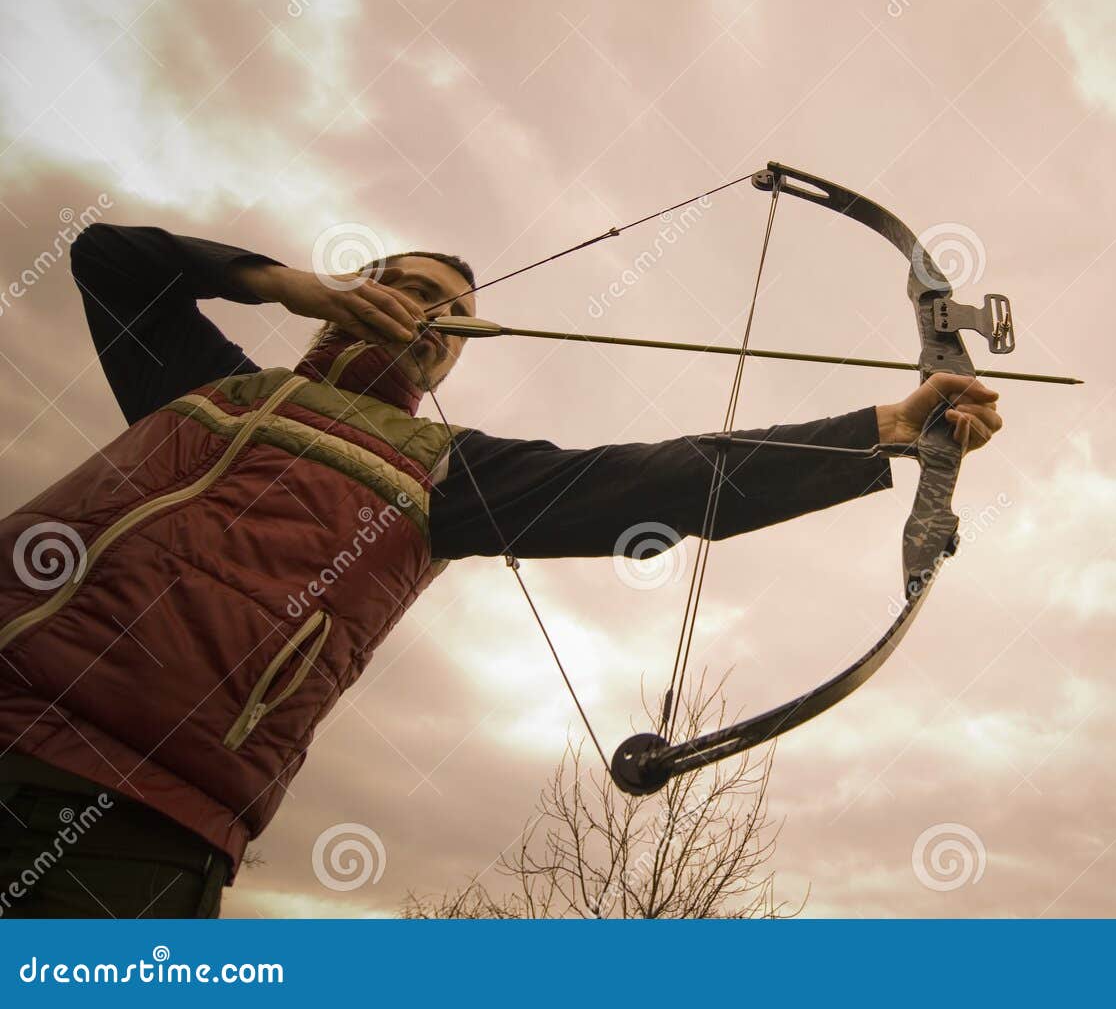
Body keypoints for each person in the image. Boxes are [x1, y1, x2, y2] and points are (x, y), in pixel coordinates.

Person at [0, 222, 1002, 918]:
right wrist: (281, 282)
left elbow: (670, 479)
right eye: (406, 286)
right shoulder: (211, 383)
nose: (427, 312)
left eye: (449, 312)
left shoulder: (448, 471)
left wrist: (887, 427)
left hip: (149, 817)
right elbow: (106, 258)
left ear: (453, 355)